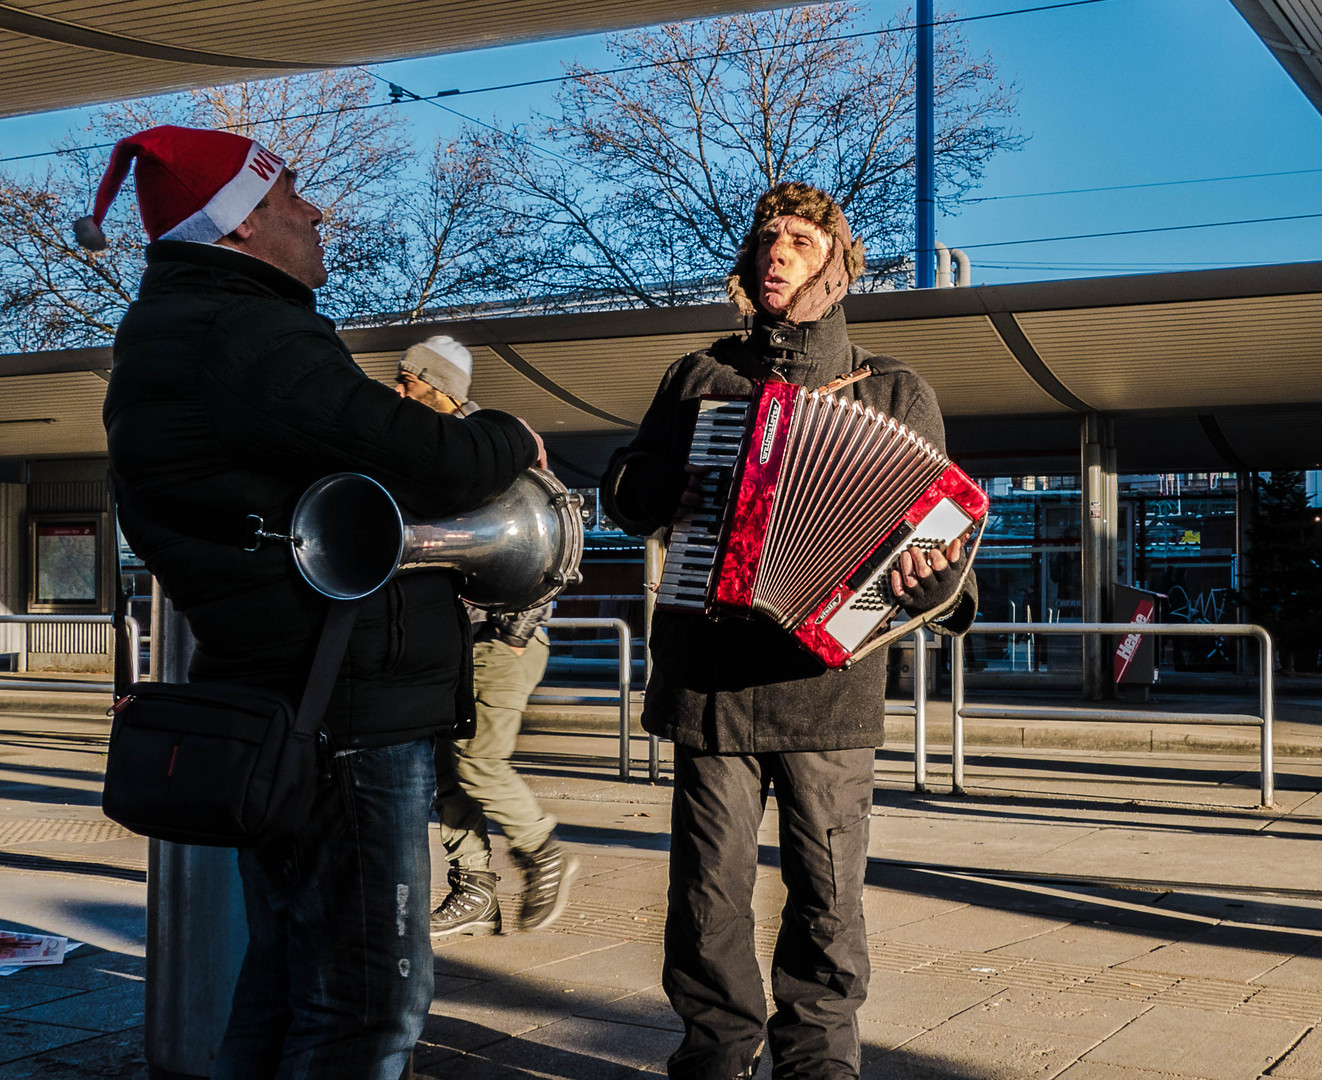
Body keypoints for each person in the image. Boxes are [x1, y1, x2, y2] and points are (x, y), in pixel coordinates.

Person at [90, 125, 545, 1080]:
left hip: (292, 699)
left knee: (289, 978)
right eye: (292, 192)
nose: (315, 209)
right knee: (371, 1004)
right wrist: (507, 436)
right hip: (341, 710)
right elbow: (434, 457)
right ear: (242, 225)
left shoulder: (187, 328)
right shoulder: (243, 333)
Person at [600, 182, 977, 1080]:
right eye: (767, 237)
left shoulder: (895, 389)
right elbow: (624, 486)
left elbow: (947, 547)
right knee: (707, 899)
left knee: (826, 899)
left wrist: (931, 574)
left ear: (838, 268)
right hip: (711, 684)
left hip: (827, 689)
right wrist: (661, 492)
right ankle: (715, 1056)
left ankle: (819, 1067)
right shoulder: (702, 377)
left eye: (802, 240)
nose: (777, 251)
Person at [394, 337, 579, 936]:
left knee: (478, 764)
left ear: (441, 388)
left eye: (409, 381)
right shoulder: (430, 453)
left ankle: (541, 851)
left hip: (502, 639)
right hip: (457, 641)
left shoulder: (497, 455)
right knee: (446, 767)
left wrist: (518, 630)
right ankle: (473, 885)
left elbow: (547, 541)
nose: (399, 391)